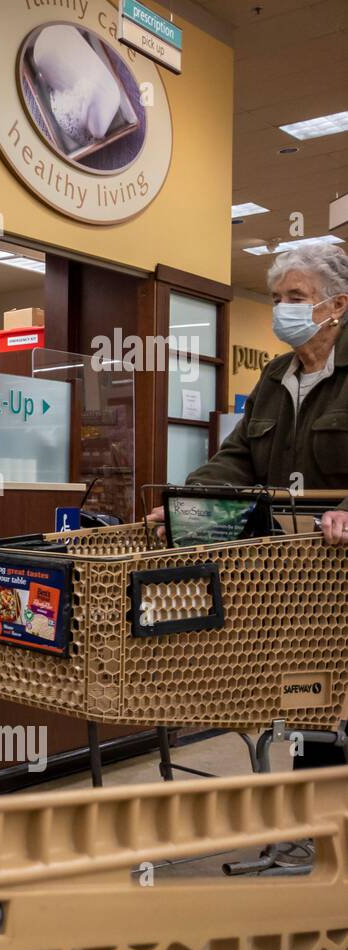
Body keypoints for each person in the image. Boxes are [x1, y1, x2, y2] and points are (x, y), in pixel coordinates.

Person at [147, 243, 348, 808]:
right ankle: (316, 824)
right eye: (278, 298)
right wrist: (189, 504)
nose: (283, 308)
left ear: (337, 304)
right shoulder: (276, 375)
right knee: (312, 698)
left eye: (297, 298)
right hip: (302, 577)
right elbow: (237, 457)